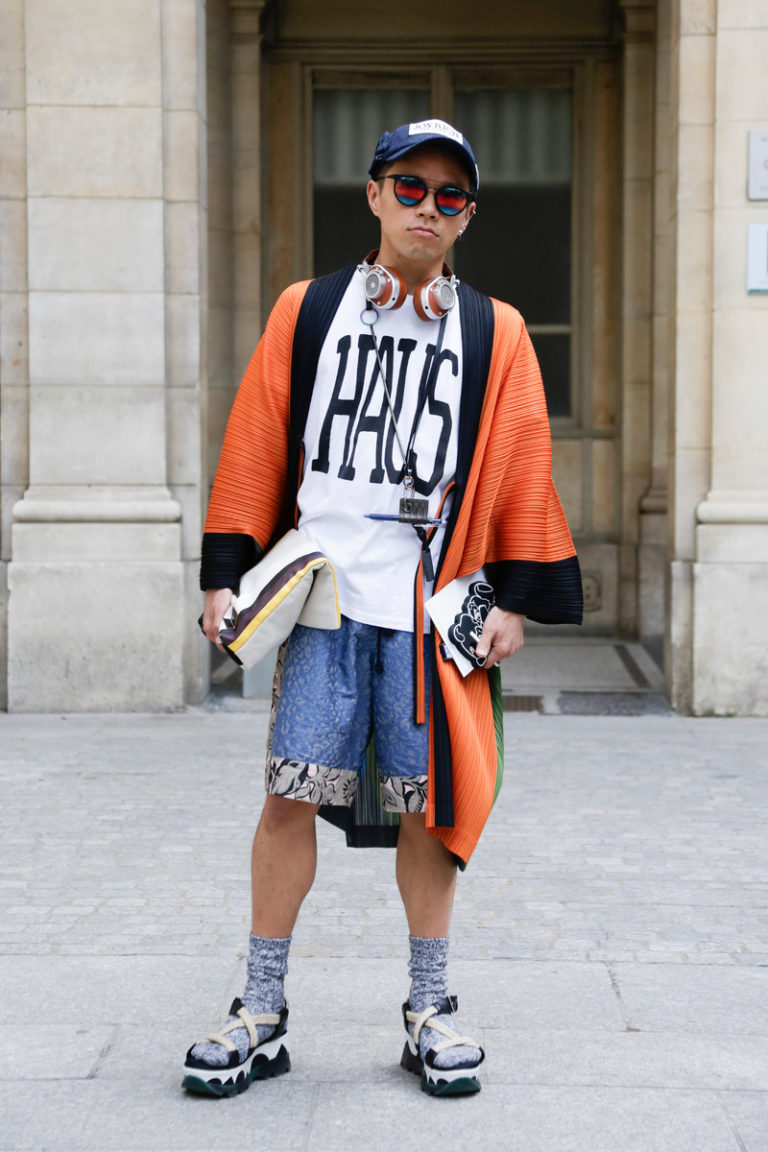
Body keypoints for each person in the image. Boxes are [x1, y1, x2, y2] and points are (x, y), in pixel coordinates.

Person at [182, 118, 583, 1099]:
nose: (428, 210)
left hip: (433, 611)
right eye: (410, 189)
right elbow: (256, 440)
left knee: (428, 813)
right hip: (323, 604)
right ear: (372, 196)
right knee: (287, 799)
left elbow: (525, 463)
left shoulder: (496, 331)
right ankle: (261, 1014)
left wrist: (516, 605)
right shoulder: (307, 310)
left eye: (451, 197)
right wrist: (224, 573)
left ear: (468, 215)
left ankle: (429, 1011)